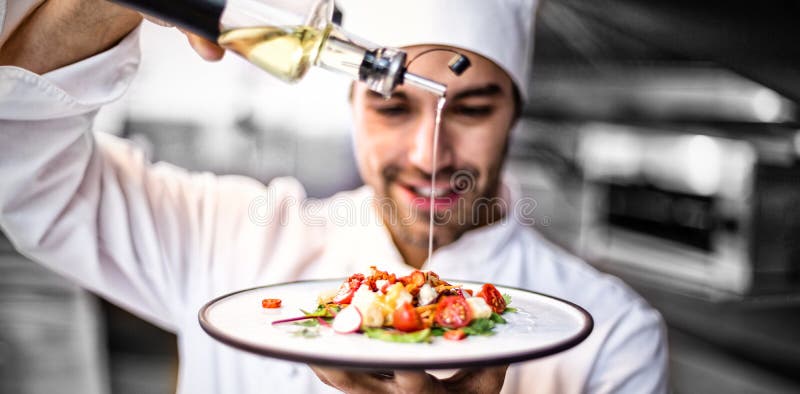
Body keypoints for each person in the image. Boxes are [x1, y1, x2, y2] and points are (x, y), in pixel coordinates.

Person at [0, 0, 669, 393]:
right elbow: (22, 169)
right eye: (392, 109)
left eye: (470, 110)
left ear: (514, 116)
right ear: (352, 103)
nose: (427, 156)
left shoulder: (610, 334)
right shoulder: (229, 238)